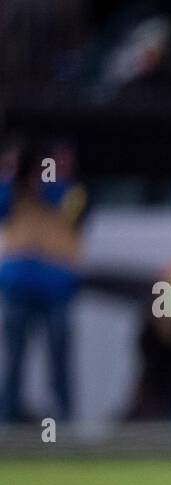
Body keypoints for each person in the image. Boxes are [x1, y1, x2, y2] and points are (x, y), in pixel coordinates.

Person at [0, 140, 86, 423]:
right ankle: (8, 418)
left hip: (55, 288)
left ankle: (63, 418)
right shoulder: (12, 192)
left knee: (59, 358)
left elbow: (70, 205)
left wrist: (44, 180)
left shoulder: (71, 192)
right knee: (14, 358)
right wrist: (12, 174)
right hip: (18, 286)